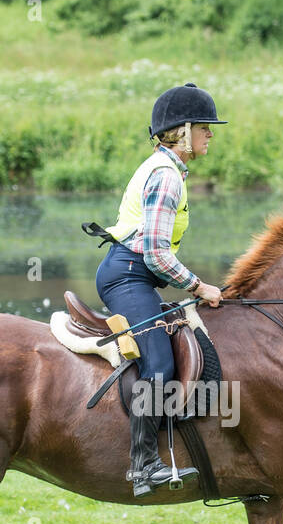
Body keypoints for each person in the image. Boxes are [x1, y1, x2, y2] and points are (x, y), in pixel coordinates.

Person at [94, 82, 226, 497]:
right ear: (183, 131)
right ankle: (143, 465)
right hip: (129, 274)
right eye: (205, 127)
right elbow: (155, 253)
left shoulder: (166, 169)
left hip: (135, 273)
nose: (210, 134)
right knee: (160, 361)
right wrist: (199, 286)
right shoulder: (167, 177)